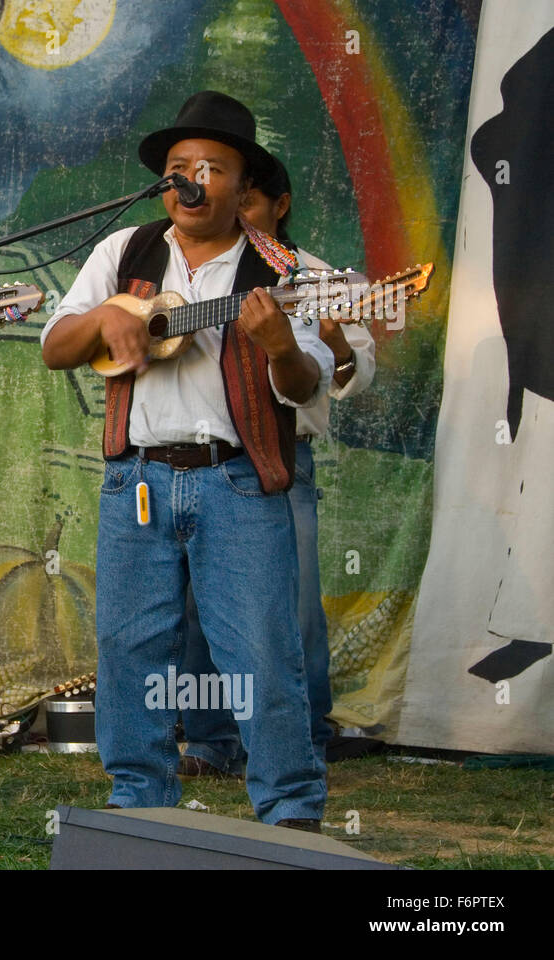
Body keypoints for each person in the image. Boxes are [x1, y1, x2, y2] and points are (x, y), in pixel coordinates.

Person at [40, 91, 332, 830]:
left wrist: (282, 347)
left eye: (211, 167)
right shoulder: (125, 252)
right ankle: (138, 808)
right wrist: (105, 316)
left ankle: (290, 812)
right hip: (134, 480)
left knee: (262, 653)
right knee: (130, 648)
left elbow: (304, 387)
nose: (190, 180)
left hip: (238, 481)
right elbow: (55, 345)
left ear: (241, 185)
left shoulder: (287, 270)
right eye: (178, 168)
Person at [178, 159, 377, 778]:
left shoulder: (315, 277)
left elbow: (354, 378)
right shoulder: (188, 270)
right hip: (201, 456)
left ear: (280, 205)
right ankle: (210, 739)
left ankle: (304, 735)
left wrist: (338, 345)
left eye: (252, 202)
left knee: (289, 603)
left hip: (280, 456)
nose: (238, 215)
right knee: (194, 604)